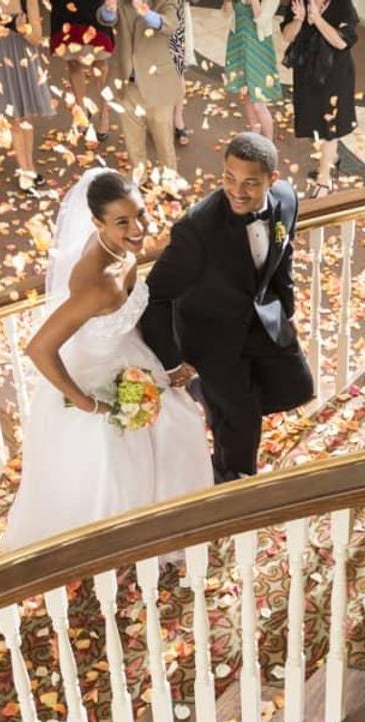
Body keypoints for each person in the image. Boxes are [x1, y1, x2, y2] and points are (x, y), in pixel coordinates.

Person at [0, 168, 212, 551]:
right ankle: (117, 547)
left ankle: (163, 529)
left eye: (140, 214)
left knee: (178, 425)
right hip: (95, 377)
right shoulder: (97, 284)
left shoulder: (122, 253)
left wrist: (166, 364)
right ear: (97, 223)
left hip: (130, 356)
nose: (138, 228)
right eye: (122, 222)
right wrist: (86, 402)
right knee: (115, 467)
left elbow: (132, 316)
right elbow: (39, 348)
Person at [141, 132, 313, 482]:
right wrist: (172, 359)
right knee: (240, 423)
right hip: (211, 335)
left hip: (262, 319)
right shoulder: (197, 229)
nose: (237, 191)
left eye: (250, 183)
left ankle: (216, 400)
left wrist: (287, 309)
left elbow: (284, 255)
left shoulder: (286, 200)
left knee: (296, 386)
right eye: (229, 179)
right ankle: (232, 483)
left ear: (272, 180)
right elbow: (154, 296)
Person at [0, 0, 54, 192]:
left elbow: (36, 38)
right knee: (14, 119)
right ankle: (24, 170)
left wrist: (22, 29)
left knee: (26, 117)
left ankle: (29, 165)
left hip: (25, 57)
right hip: (0, 60)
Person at [282, 0, 357, 198]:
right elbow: (286, 35)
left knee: (330, 128)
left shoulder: (342, 5)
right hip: (307, 74)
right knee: (312, 123)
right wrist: (298, 21)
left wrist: (317, 20)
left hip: (335, 76)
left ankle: (324, 181)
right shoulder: (299, 2)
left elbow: (342, 42)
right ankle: (331, 159)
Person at [105, 0, 181, 183]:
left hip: (157, 85)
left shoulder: (164, 2)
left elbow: (170, 25)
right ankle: (137, 176)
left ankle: (169, 177)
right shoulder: (121, 3)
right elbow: (105, 18)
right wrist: (109, 9)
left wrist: (144, 10)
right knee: (132, 138)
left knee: (163, 136)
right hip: (126, 83)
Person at [49, 0, 113, 142]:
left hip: (94, 7)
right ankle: (81, 110)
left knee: (100, 59)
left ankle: (104, 113)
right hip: (66, 7)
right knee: (73, 59)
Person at [222, 0, 279, 141]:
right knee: (245, 91)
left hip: (258, 46)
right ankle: (254, 130)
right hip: (239, 42)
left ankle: (269, 142)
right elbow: (227, 14)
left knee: (259, 103)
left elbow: (262, 20)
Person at [169, 0, 194, 146]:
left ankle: (178, 120)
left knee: (178, 71)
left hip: (176, 15)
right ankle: (159, 119)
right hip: (151, 13)